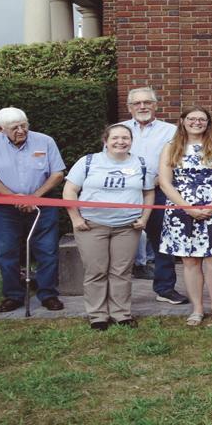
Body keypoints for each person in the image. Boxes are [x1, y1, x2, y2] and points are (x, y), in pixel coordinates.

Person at [0, 107, 66, 313]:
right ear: (0, 129)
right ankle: (13, 295)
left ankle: (48, 293)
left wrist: (34, 196)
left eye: (24, 125)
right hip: (5, 207)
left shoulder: (45, 141)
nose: (21, 131)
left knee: (47, 250)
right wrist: (13, 197)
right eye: (14, 128)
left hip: (42, 203)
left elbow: (57, 174)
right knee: (6, 250)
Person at [64, 123, 153, 330]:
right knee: (96, 271)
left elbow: (148, 192)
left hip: (127, 227)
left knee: (121, 271)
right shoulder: (88, 161)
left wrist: (144, 218)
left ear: (131, 141)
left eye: (125, 138)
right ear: (105, 141)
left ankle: (121, 314)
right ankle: (98, 315)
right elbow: (70, 191)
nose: (120, 142)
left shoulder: (141, 164)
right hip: (92, 226)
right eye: (115, 138)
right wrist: (76, 219)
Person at [158, 107, 212, 326]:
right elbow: (165, 182)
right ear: (182, 121)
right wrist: (186, 207)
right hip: (182, 209)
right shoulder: (171, 147)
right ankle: (197, 309)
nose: (197, 122)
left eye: (202, 119)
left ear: (208, 122)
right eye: (192, 119)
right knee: (190, 260)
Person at [122, 87, 186, 303]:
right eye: (137, 103)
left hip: (159, 191)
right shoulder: (118, 129)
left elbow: (179, 158)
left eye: (147, 102)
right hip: (124, 194)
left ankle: (165, 289)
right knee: (119, 242)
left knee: (162, 241)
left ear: (156, 105)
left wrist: (162, 179)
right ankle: (117, 294)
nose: (142, 107)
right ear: (129, 107)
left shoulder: (172, 131)